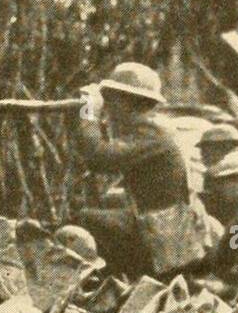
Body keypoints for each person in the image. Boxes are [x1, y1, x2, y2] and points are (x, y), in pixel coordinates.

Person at [74, 62, 214, 276]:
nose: (108, 106)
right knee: (107, 203)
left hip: (166, 235)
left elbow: (98, 158)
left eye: (113, 99)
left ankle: (116, 277)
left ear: (129, 102)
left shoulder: (151, 131)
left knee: (82, 219)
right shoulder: (150, 126)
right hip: (170, 229)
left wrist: (88, 112)